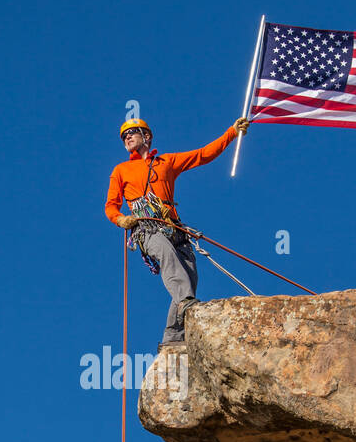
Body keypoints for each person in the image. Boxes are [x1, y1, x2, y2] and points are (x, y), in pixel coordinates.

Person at [105, 117, 250, 348]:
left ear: (147, 136)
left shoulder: (166, 162)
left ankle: (173, 337)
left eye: (132, 132)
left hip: (173, 227)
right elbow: (111, 205)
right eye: (124, 136)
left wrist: (231, 133)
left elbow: (203, 154)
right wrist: (120, 219)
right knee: (170, 262)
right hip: (146, 228)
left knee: (189, 277)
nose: (127, 137)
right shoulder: (121, 170)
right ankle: (185, 304)